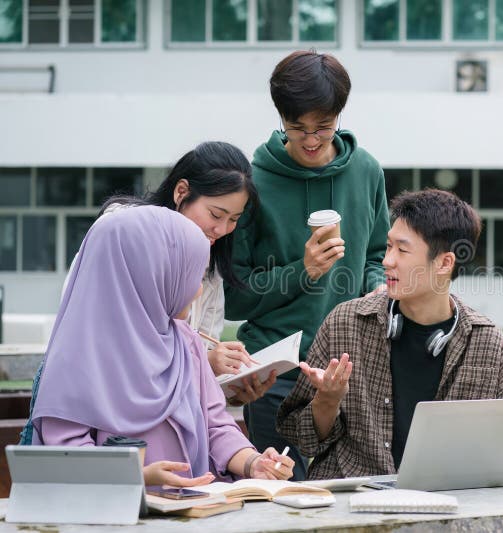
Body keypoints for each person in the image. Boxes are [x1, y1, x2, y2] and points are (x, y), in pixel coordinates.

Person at [276, 189, 503, 479]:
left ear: (445, 263)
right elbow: (300, 437)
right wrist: (327, 400)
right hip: (352, 505)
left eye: (402, 250)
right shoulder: (345, 323)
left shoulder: (485, 340)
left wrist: (477, 466)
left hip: (445, 507)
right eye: (388, 246)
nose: (387, 261)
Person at [20, 142, 271, 445]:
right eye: (216, 214)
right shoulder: (121, 235)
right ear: (181, 192)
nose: (222, 229)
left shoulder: (209, 261)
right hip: (101, 419)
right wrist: (204, 362)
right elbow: (100, 342)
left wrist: (228, 383)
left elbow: (199, 380)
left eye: (233, 219)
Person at [29, 206, 294, 486]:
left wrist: (254, 464)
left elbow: (215, 425)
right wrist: (139, 478)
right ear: (147, 274)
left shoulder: (184, 341)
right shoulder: (76, 357)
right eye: (189, 273)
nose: (199, 289)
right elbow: (66, 457)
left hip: (193, 513)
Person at [224, 50, 390, 480]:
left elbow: (376, 255)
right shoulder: (252, 182)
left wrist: (374, 284)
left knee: (358, 494)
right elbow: (233, 296)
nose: (311, 140)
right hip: (274, 371)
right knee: (281, 496)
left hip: (348, 365)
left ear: (339, 117)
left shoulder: (367, 170)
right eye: (298, 129)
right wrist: (304, 270)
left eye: (323, 127)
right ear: (281, 119)